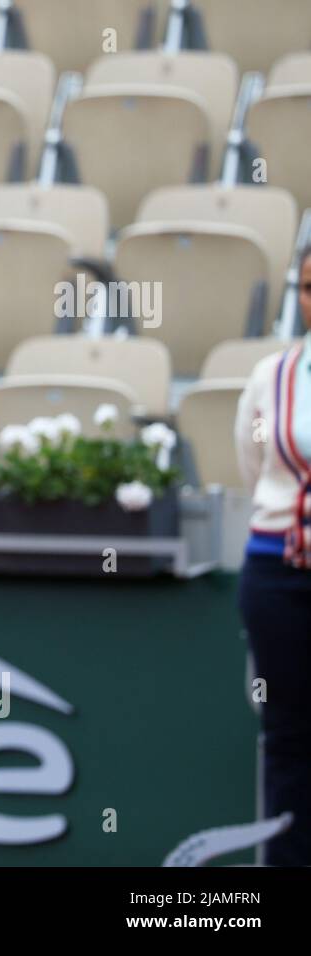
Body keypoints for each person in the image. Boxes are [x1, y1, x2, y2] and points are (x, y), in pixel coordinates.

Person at [235, 247, 311, 866]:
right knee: (287, 732)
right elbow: (252, 468)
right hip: (277, 569)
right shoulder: (273, 375)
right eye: (309, 288)